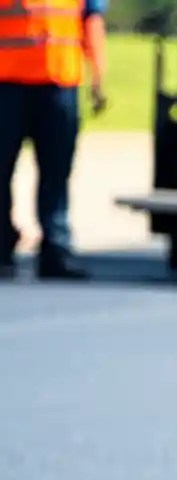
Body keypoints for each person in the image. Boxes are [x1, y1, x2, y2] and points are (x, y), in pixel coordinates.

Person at [0, 0, 108, 281]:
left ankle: (55, 247)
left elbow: (91, 20)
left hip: (59, 81)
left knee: (57, 170)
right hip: (7, 81)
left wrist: (98, 74)